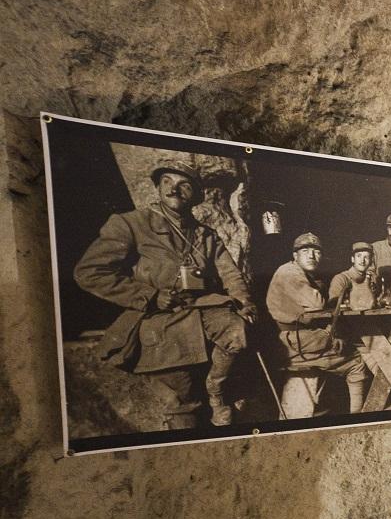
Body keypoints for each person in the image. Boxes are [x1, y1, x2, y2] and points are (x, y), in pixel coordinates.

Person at [74, 157, 256, 430]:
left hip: (201, 309)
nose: (173, 190)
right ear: (158, 188)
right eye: (167, 183)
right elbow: (89, 272)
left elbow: (230, 274)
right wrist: (148, 295)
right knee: (182, 399)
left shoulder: (205, 235)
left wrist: (245, 304)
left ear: (195, 195)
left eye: (183, 186)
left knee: (236, 332)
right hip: (159, 318)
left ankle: (216, 392)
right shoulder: (131, 223)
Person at [265, 233, 369, 417]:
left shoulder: (299, 272)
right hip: (295, 341)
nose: (312, 256)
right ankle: (358, 416)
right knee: (357, 361)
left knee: (346, 340)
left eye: (316, 252)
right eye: (305, 251)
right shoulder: (290, 273)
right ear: (295, 255)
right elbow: (317, 304)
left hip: (301, 337)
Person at [329, 242, 379, 310]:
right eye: (359, 256)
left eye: (366, 257)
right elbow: (333, 304)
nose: (362, 261)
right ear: (352, 259)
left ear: (370, 260)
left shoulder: (373, 278)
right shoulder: (341, 278)